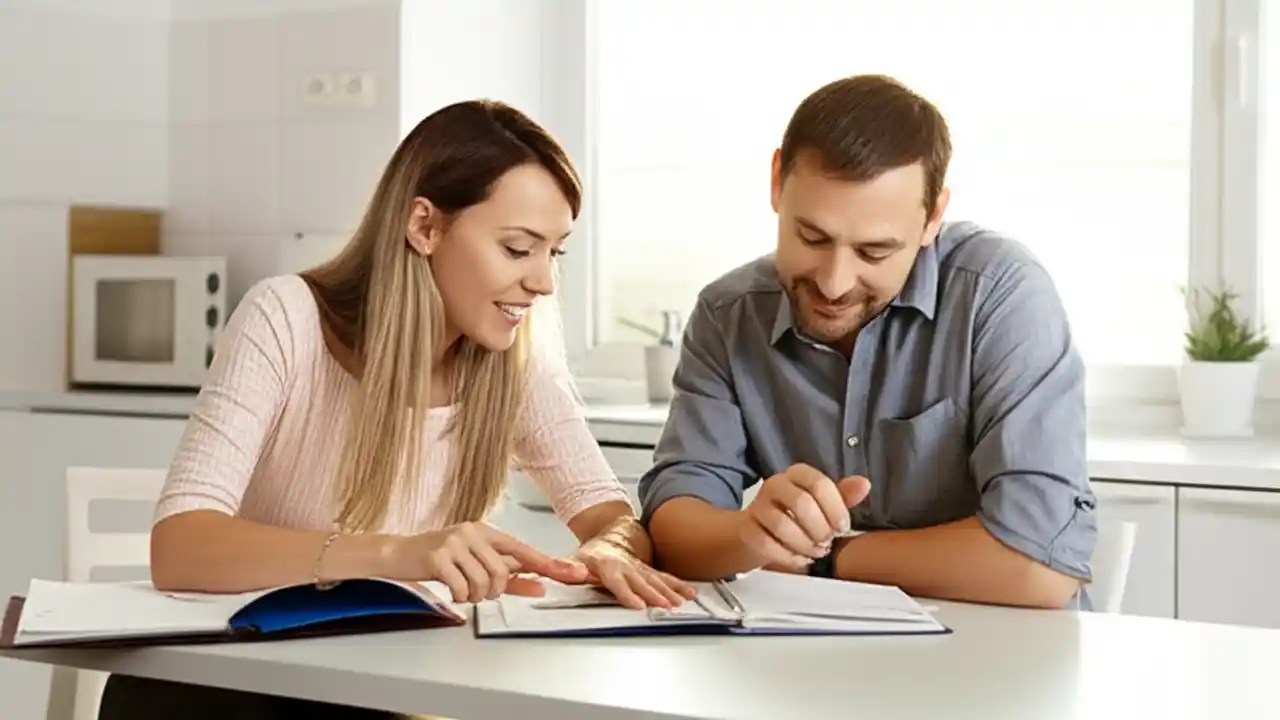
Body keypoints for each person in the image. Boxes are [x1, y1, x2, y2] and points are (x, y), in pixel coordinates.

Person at [99, 99, 692, 719]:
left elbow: (610, 515)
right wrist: (398, 556)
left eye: (555, 253)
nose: (543, 282)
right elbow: (180, 547)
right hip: (220, 696)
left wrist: (613, 548)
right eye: (519, 249)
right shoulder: (285, 318)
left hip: (373, 691)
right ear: (425, 227)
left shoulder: (513, 357)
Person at [638, 74, 1098, 610]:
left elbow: (1038, 566)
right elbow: (673, 523)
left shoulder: (999, 295)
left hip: (997, 669)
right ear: (775, 182)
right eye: (811, 237)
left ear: (932, 218)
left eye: (875, 252)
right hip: (810, 666)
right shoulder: (728, 314)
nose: (834, 283)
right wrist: (750, 535)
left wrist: (827, 558)